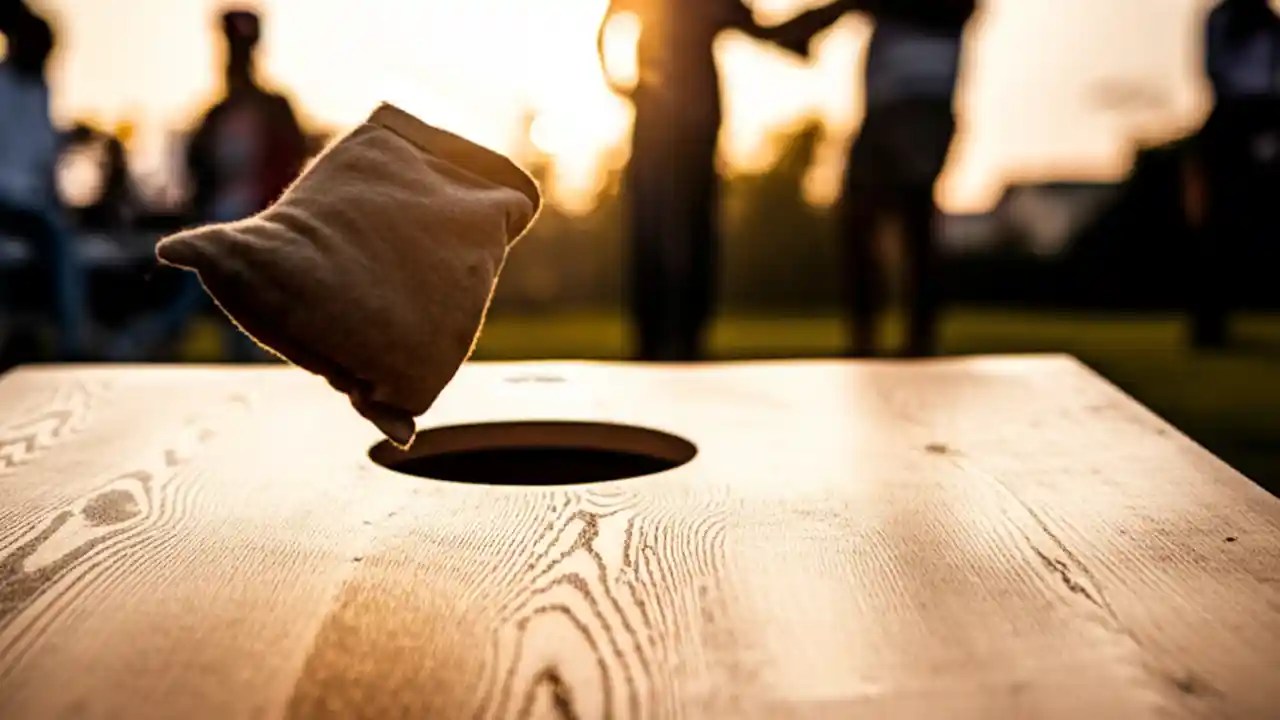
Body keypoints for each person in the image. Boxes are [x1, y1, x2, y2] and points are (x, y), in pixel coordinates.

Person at [597, 0, 809, 361]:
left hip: (690, 129)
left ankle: (684, 337)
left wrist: (810, 27)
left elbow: (766, 31)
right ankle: (657, 339)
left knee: (687, 228)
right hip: (666, 128)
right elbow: (606, 31)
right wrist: (622, 86)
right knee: (661, 227)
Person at [783, 0, 974, 357]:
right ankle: (876, 340)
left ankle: (908, 342)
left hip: (917, 100)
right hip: (897, 102)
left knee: (904, 217)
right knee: (875, 219)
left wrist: (814, 22)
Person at [112, 9, 306, 361]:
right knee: (208, 270)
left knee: (227, 275)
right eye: (232, 48)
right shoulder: (214, 117)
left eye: (242, 49)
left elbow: (296, 170)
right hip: (216, 227)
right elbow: (196, 181)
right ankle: (158, 338)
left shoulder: (275, 109)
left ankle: (153, 338)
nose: (235, 59)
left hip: (263, 227)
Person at [1187, 0, 1280, 349]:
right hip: (1232, 118)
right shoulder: (1222, 18)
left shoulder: (1270, 23)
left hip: (1267, 118)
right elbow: (1214, 70)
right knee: (1217, 227)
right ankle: (1210, 326)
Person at [0, 2, 87, 360]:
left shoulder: (39, 89)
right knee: (54, 235)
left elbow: (42, 156)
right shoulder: (4, 87)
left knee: (59, 232)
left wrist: (71, 139)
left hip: (31, 204)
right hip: (7, 200)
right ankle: (73, 341)